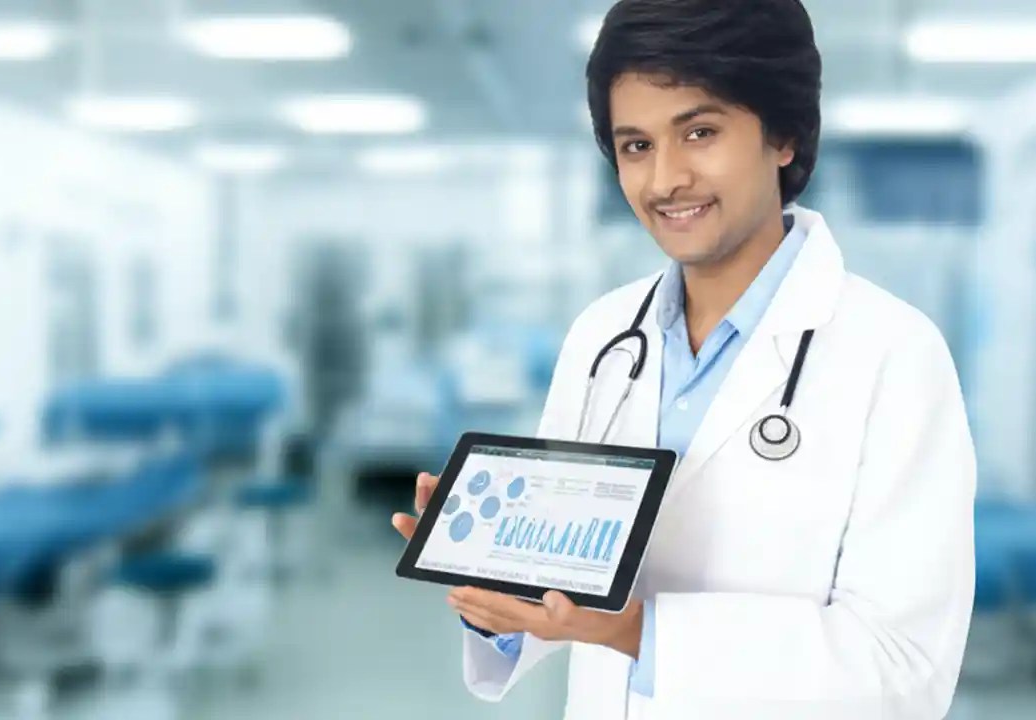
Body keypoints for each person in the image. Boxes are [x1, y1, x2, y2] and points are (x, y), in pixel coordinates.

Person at [392, 0, 976, 717]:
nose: (665, 179)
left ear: (784, 135)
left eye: (699, 132)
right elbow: (564, 597)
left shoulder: (894, 354)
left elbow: (904, 668)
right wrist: (496, 585)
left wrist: (641, 633)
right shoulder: (603, 339)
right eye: (635, 145)